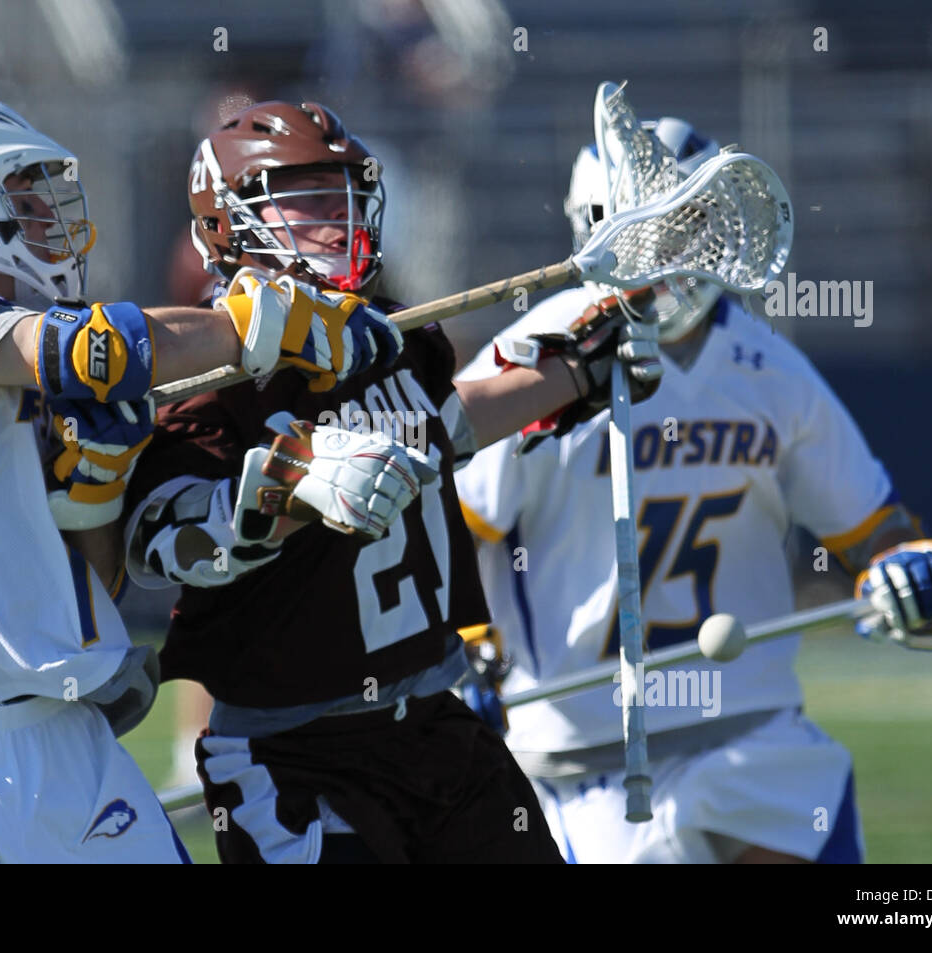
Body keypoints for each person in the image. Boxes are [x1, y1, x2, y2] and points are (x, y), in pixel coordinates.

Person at [0, 93, 393, 863]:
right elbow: (98, 350)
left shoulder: (6, 351)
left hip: (67, 734)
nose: (45, 213)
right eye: (20, 194)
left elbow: (97, 586)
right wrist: (266, 324)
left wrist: (95, 490)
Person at [117, 100, 662, 863]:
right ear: (227, 223)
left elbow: (448, 427)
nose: (336, 220)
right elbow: (158, 542)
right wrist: (291, 486)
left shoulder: (387, 333)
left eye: (345, 195)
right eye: (307, 200)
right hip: (295, 753)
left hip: (434, 721)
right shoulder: (215, 373)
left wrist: (577, 370)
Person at [452, 116, 932, 864]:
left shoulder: (766, 365)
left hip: (750, 727)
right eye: (652, 229)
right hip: (580, 752)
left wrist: (906, 569)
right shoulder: (530, 359)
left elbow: (873, 531)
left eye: (691, 224)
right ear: (599, 226)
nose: (673, 251)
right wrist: (465, 644)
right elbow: (444, 524)